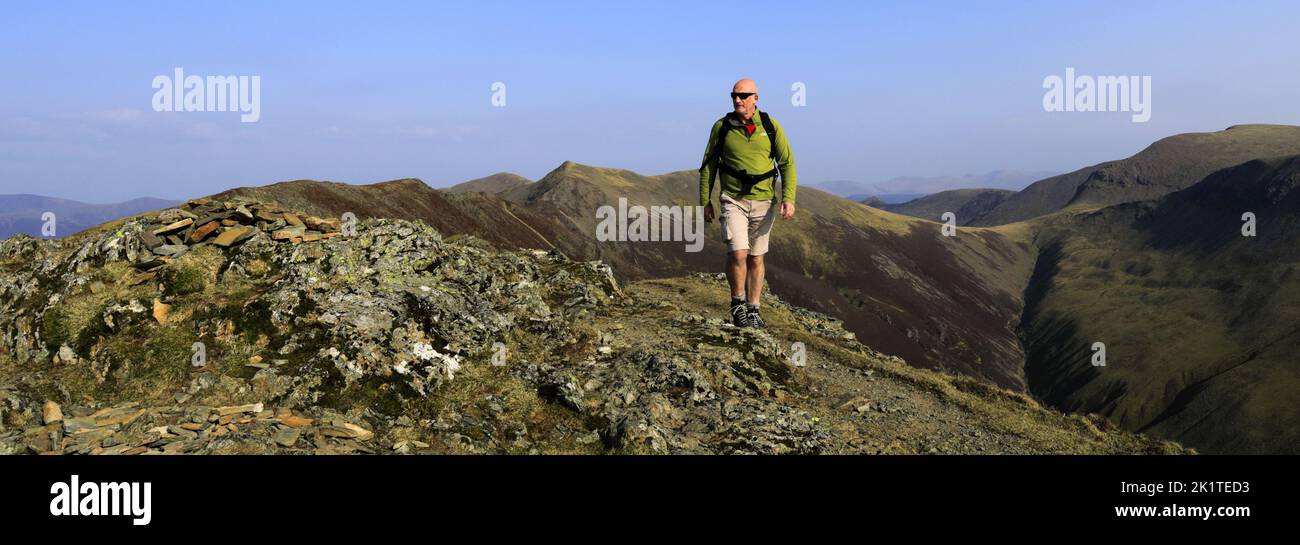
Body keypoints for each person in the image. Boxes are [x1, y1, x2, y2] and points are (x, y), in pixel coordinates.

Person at [698, 78, 797, 328]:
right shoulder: (722, 127)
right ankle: (738, 304)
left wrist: (788, 198)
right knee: (738, 252)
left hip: (764, 202)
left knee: (756, 257)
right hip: (733, 200)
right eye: (734, 95)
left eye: (743, 95)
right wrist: (705, 201)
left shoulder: (770, 126)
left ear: (756, 98)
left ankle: (754, 308)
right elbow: (708, 165)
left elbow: (786, 163)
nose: (738, 100)